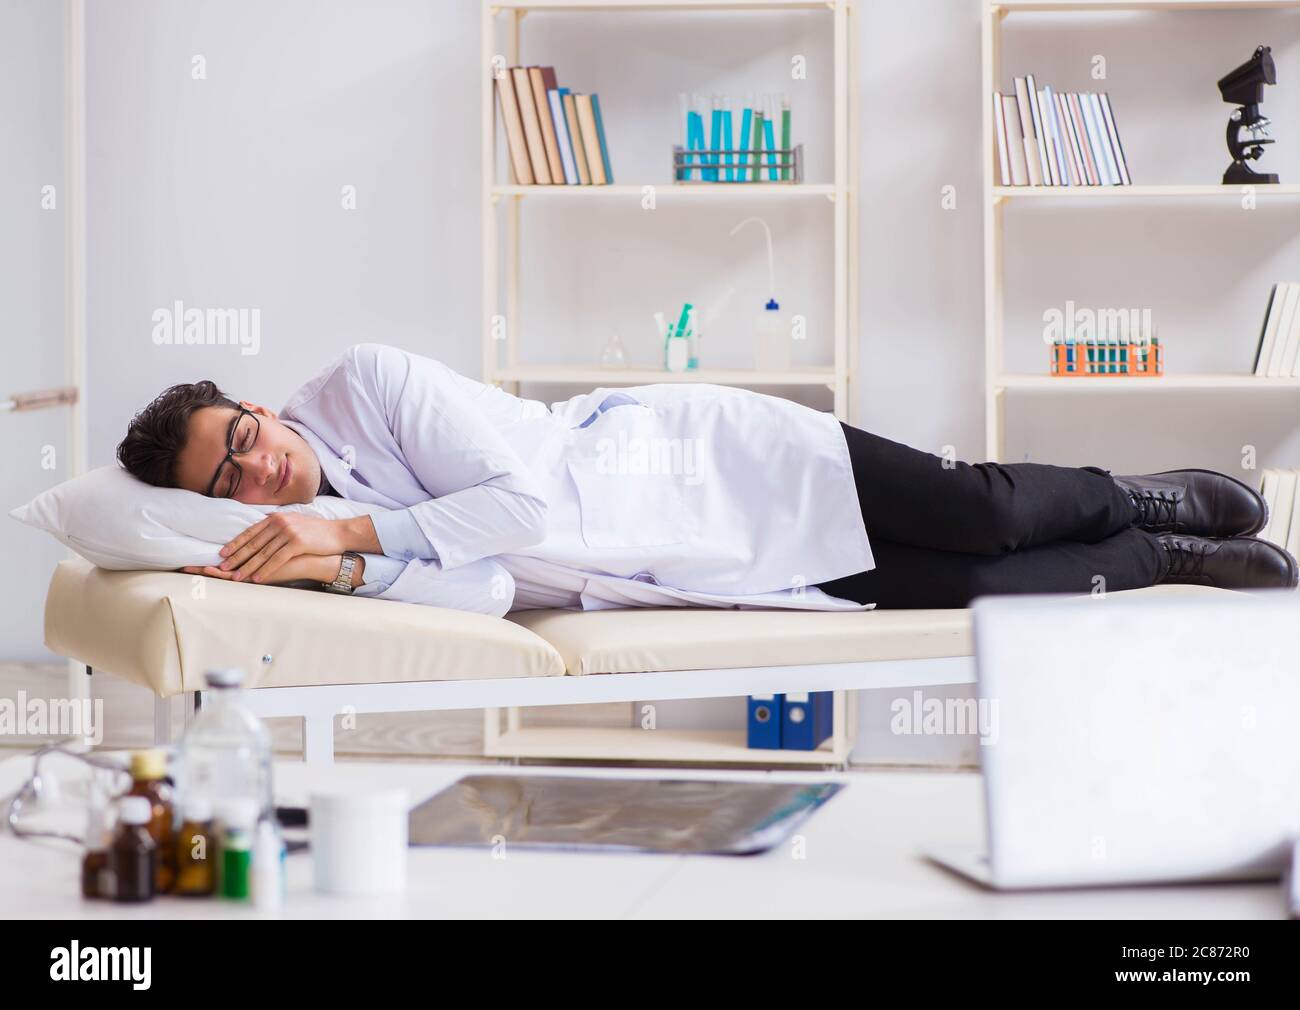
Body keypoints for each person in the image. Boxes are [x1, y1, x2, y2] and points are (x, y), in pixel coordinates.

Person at [115, 343, 1296, 616]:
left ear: (258, 405)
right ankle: (1161, 557)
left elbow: (524, 507)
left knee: (979, 508)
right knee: (975, 586)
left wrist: (348, 537)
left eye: (240, 436)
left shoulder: (370, 383)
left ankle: (1137, 494)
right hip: (683, 564)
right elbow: (478, 596)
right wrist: (344, 558)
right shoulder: (311, 536)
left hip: (701, 462)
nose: (256, 470)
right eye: (230, 484)